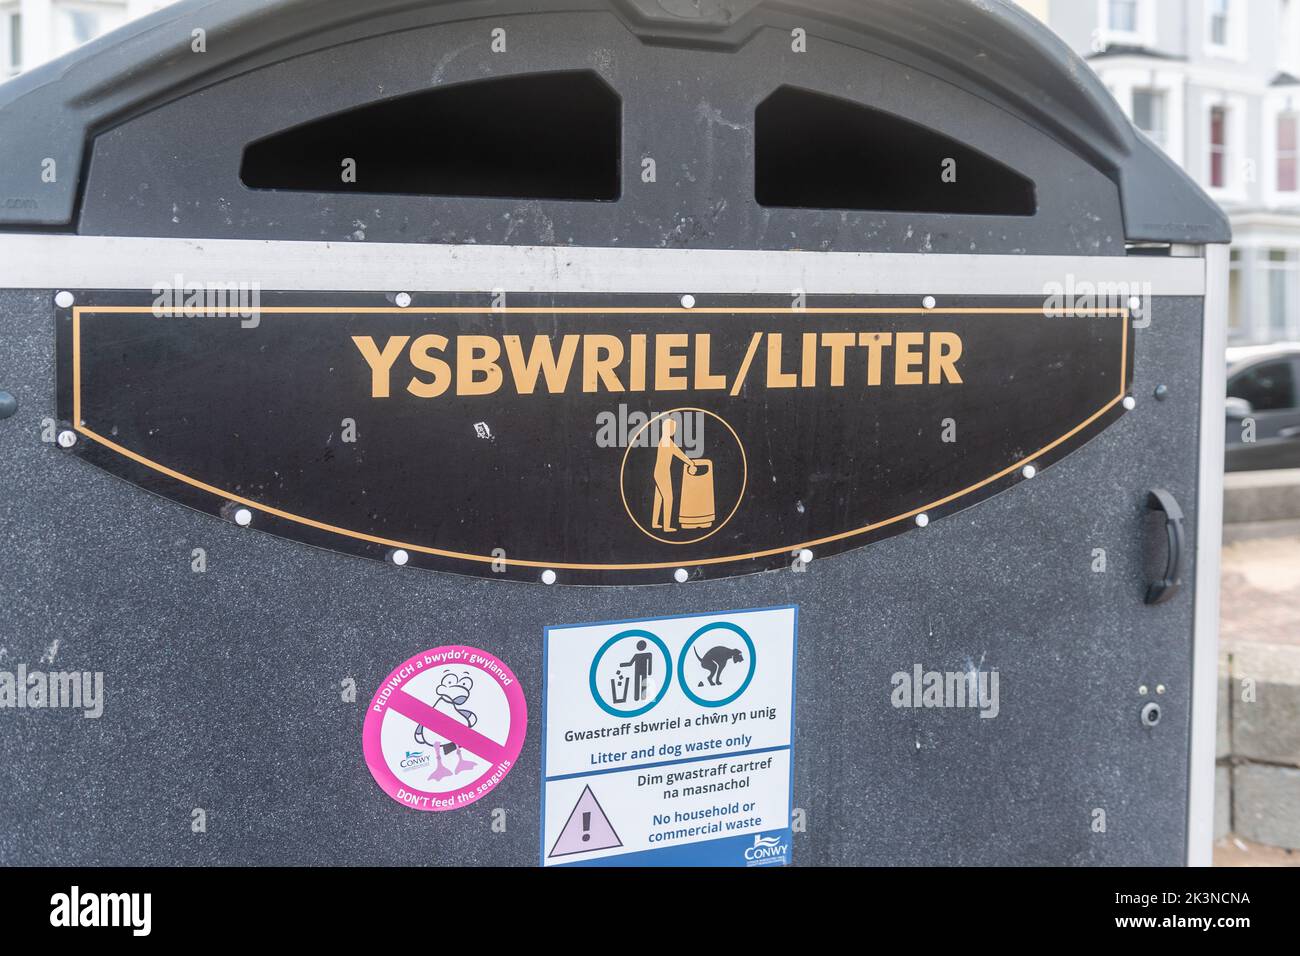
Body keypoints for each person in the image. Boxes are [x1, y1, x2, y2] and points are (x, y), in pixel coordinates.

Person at [651, 417, 694, 532]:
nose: (674, 430)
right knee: (669, 498)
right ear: (668, 428)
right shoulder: (667, 442)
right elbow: (680, 454)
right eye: (673, 428)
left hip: (658, 472)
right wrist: (691, 463)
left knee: (658, 498)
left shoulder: (663, 440)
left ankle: (655, 523)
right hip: (663, 473)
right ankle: (666, 526)